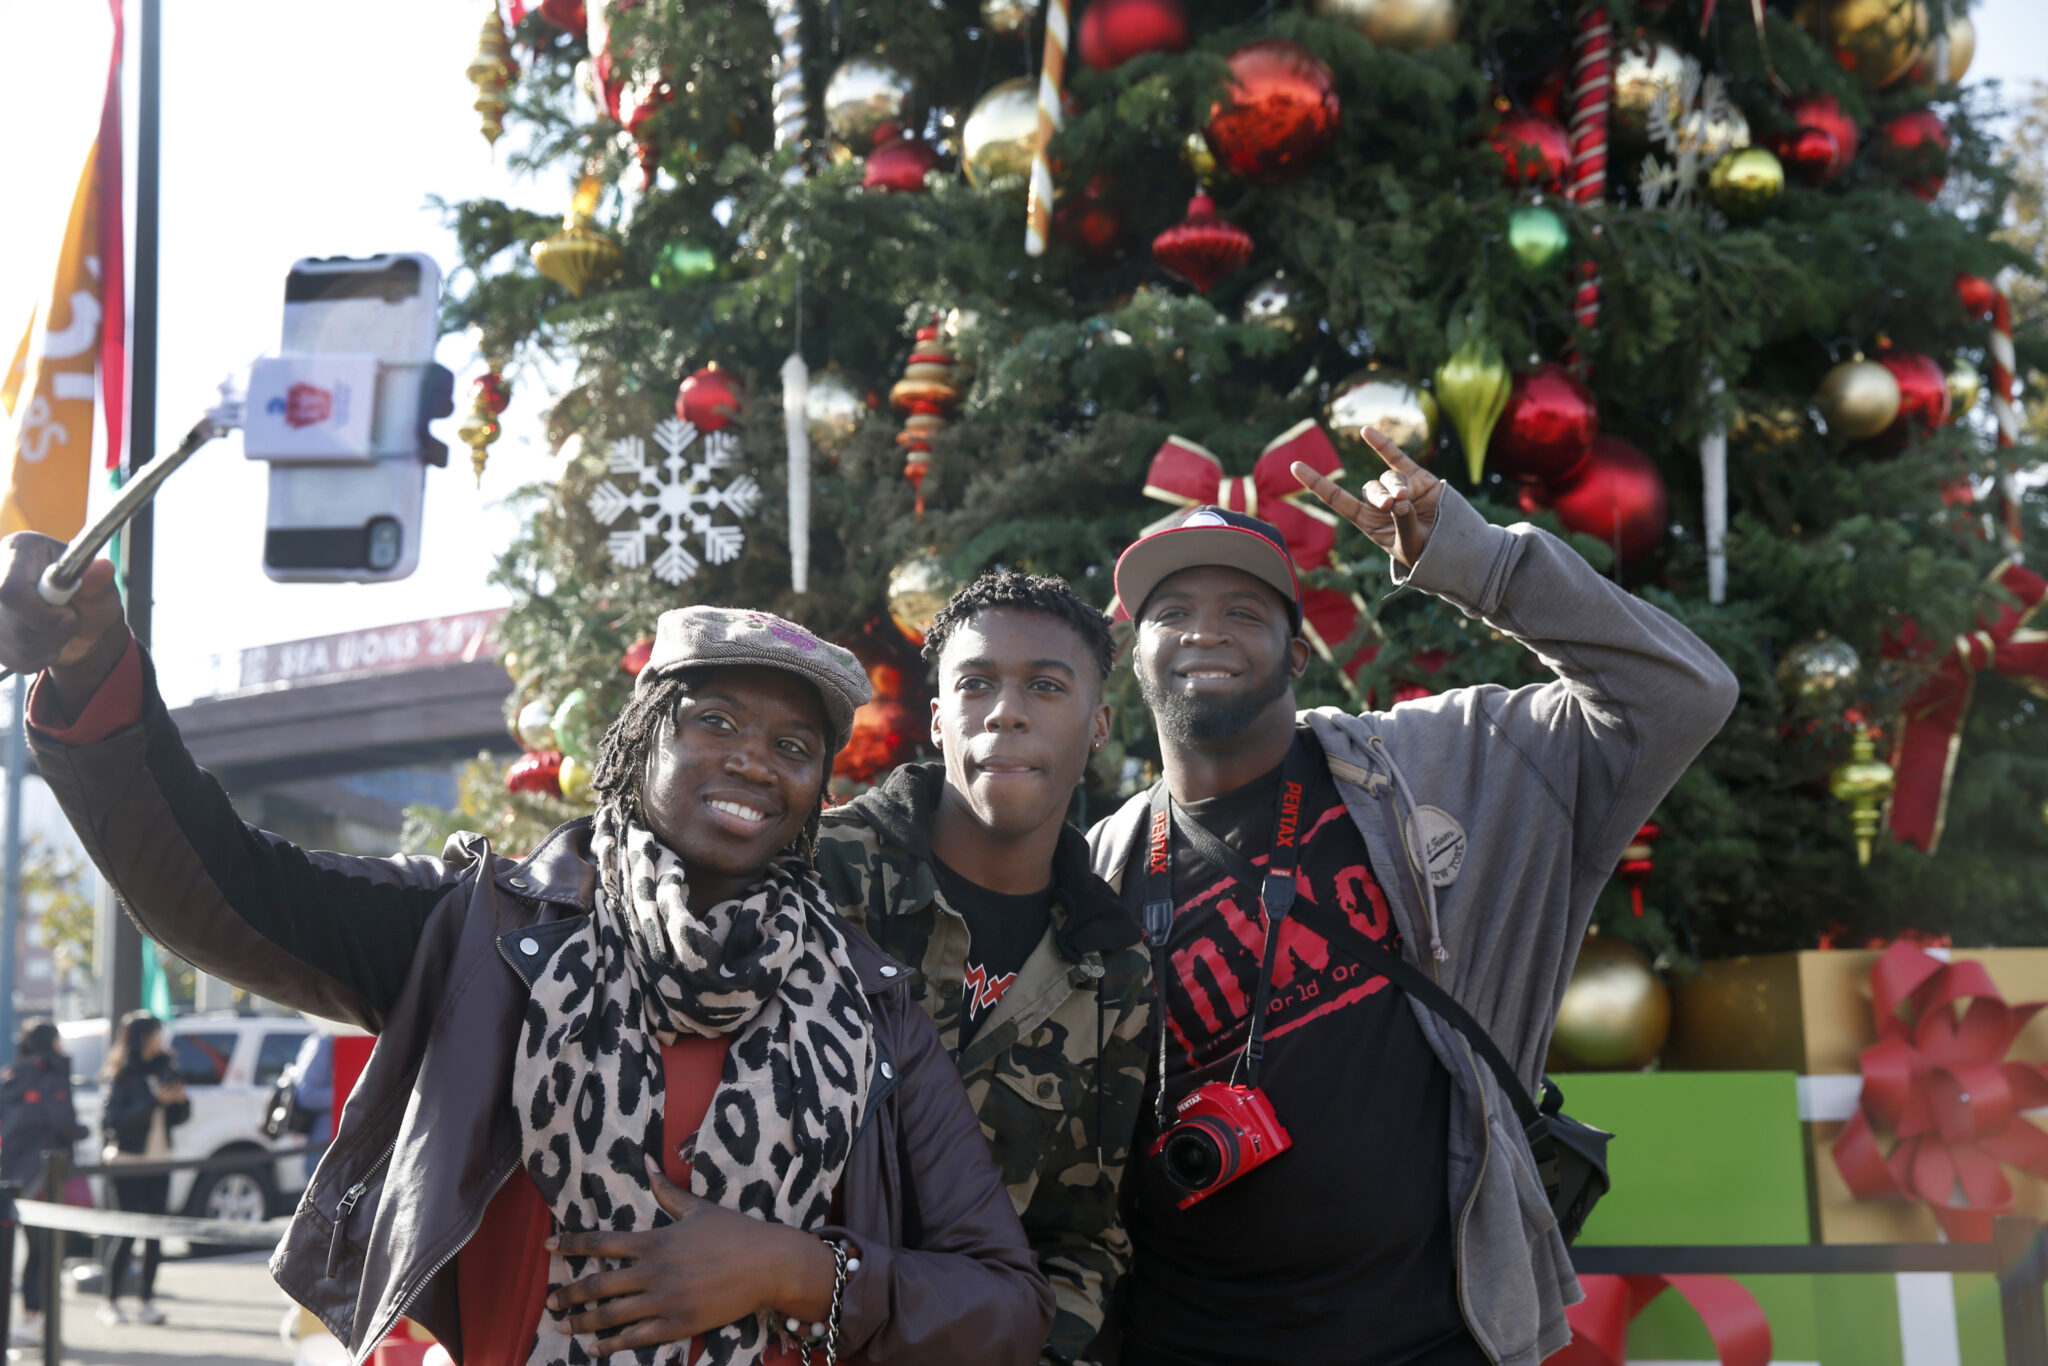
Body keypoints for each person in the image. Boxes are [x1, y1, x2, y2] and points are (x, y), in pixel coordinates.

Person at [0, 555, 1052, 1366]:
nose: (751, 757)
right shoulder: (485, 935)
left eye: (791, 745)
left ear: (818, 790)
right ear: (642, 745)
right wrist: (94, 667)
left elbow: (1004, 1304)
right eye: (715, 720)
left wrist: (792, 1268)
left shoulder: (869, 1003)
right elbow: (221, 893)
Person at [1088, 431, 1739, 1366]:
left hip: (1435, 1335)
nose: (1205, 629)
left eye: (1243, 606)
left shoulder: (1458, 761)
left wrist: (1478, 565)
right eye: (1172, 609)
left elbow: (1682, 695)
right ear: (1134, 652)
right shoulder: (1100, 867)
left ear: (1297, 649)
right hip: (1183, 1342)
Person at [815, 570, 1151, 1365]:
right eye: (976, 685)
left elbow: (1083, 1234)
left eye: (1045, 685)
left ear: (1097, 724)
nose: (1007, 710)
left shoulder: (1114, 968)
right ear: (937, 720)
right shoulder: (820, 877)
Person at [97, 1010, 189, 1326]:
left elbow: (179, 1116)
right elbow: (112, 1123)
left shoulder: (167, 1067)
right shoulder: (121, 1073)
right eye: (154, 1033)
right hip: (126, 1162)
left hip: (160, 1159)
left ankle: (147, 1301)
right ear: (141, 1037)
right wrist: (156, 1101)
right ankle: (110, 1301)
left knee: (155, 1235)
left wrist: (179, 1100)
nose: (160, 1039)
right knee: (126, 1233)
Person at [0, 1017, 88, 1343]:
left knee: (30, 1250)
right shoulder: (52, 1073)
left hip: (15, 1175)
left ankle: (29, 1318)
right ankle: (43, 1324)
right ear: (51, 1042)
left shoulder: (12, 1073)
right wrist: (84, 1132)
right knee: (49, 1253)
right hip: (48, 1175)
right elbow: (62, 1121)